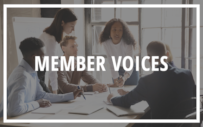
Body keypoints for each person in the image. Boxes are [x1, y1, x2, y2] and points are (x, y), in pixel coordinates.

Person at [107, 41, 196, 126]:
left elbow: (125, 101)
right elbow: (187, 99)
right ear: (167, 54)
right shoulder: (187, 74)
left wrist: (112, 98)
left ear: (149, 58)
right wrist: (135, 93)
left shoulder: (147, 81)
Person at [0, 37, 82, 117]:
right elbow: (14, 110)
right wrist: (37, 103)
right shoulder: (22, 76)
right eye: (43, 56)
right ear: (34, 57)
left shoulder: (32, 71)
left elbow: (42, 96)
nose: (45, 59)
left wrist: (71, 95)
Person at [39, 8, 77, 94]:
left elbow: (54, 61)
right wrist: (55, 91)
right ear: (62, 23)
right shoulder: (50, 39)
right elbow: (52, 67)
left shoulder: (53, 37)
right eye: (71, 25)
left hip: (40, 75)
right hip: (36, 76)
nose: (73, 29)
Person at [100, 18, 140, 87]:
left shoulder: (127, 43)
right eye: (114, 29)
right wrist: (116, 81)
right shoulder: (106, 43)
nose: (117, 33)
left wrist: (124, 78)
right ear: (109, 31)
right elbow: (112, 63)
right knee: (117, 91)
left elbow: (129, 65)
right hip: (118, 69)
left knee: (132, 92)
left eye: (120, 30)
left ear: (123, 32)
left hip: (131, 71)